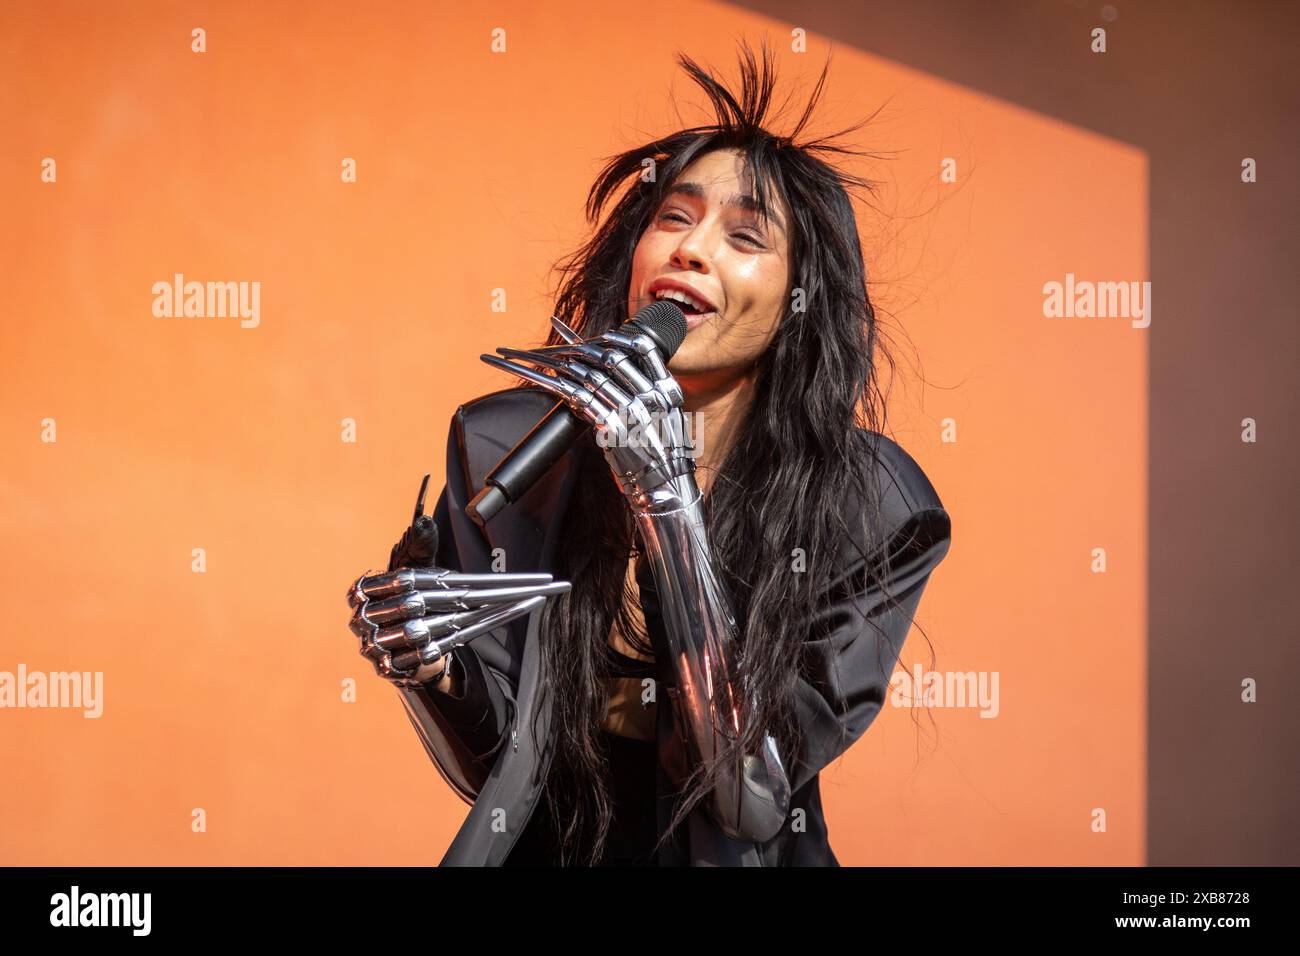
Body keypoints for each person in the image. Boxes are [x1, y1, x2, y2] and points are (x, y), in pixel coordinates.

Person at [345, 38, 952, 867]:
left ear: (800, 305)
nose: (690, 249)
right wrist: (431, 672)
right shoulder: (504, 445)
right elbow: (500, 773)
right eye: (674, 216)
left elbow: (752, 798)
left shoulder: (873, 504)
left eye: (746, 237)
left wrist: (664, 497)